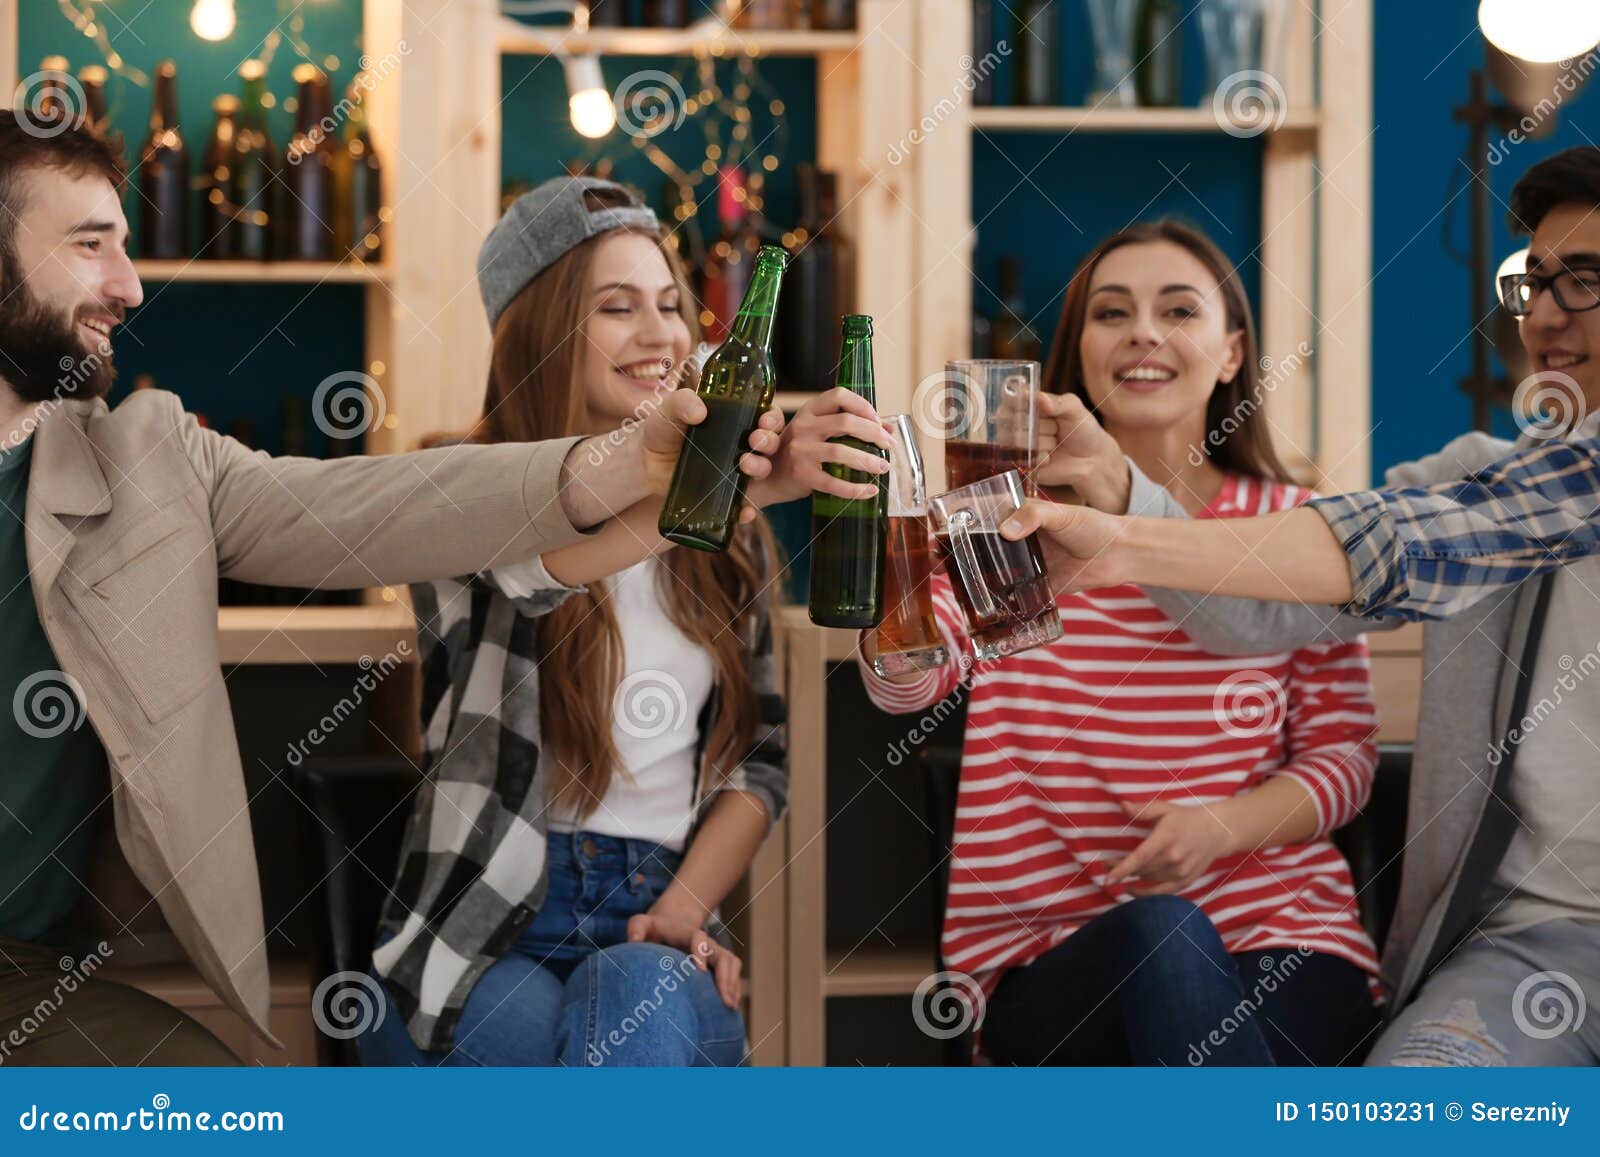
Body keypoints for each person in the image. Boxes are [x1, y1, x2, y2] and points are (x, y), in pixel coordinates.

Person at [0, 115, 788, 1064]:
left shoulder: (143, 459)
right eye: (91, 245)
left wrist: (654, 466)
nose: (130, 284)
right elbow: (512, 556)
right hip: (479, 933)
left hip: (25, 976)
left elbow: (386, 509)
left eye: (125, 245)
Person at [1006, 148, 1600, 1065]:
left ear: (1232, 348)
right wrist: (1131, 504)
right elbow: (1281, 602)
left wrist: (1125, 530)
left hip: (1293, 942)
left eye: (1587, 281)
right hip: (1529, 945)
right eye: (1537, 283)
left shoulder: (1524, 495)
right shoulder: (1479, 480)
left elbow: (1404, 549)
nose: (1549, 315)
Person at [359, 177, 892, 1065]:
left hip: (663, 899)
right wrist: (717, 493)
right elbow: (535, 570)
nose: (662, 336)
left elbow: (761, 764)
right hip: (487, 921)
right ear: (540, 329)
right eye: (617, 308)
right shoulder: (453, 484)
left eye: (671, 306)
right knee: (537, 1037)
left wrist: (684, 907)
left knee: (638, 991)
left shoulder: (731, 543)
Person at [858, 221, 1381, 1066]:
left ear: (1231, 353)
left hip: (1283, 937)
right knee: (1161, 934)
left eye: (1178, 309)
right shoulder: (1014, 518)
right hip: (1054, 960)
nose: (1142, 330)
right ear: (1079, 355)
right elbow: (906, 685)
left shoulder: (1295, 527)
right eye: (1111, 313)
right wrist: (899, 550)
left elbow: (1344, 759)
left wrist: (1220, 827)